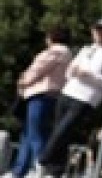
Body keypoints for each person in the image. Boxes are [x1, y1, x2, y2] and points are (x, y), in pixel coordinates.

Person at [36, 19, 102, 178]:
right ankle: (56, 170)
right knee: (60, 131)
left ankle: (43, 159)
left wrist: (88, 75)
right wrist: (74, 72)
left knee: (64, 129)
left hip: (87, 97)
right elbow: (69, 71)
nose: (99, 34)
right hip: (69, 91)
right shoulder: (86, 49)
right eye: (97, 30)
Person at [6, 28, 72, 178]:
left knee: (36, 133)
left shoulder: (55, 52)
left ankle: (40, 166)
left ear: (52, 37)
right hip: (52, 96)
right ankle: (20, 170)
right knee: (29, 134)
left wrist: (23, 80)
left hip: (41, 95)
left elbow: (36, 70)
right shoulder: (68, 54)